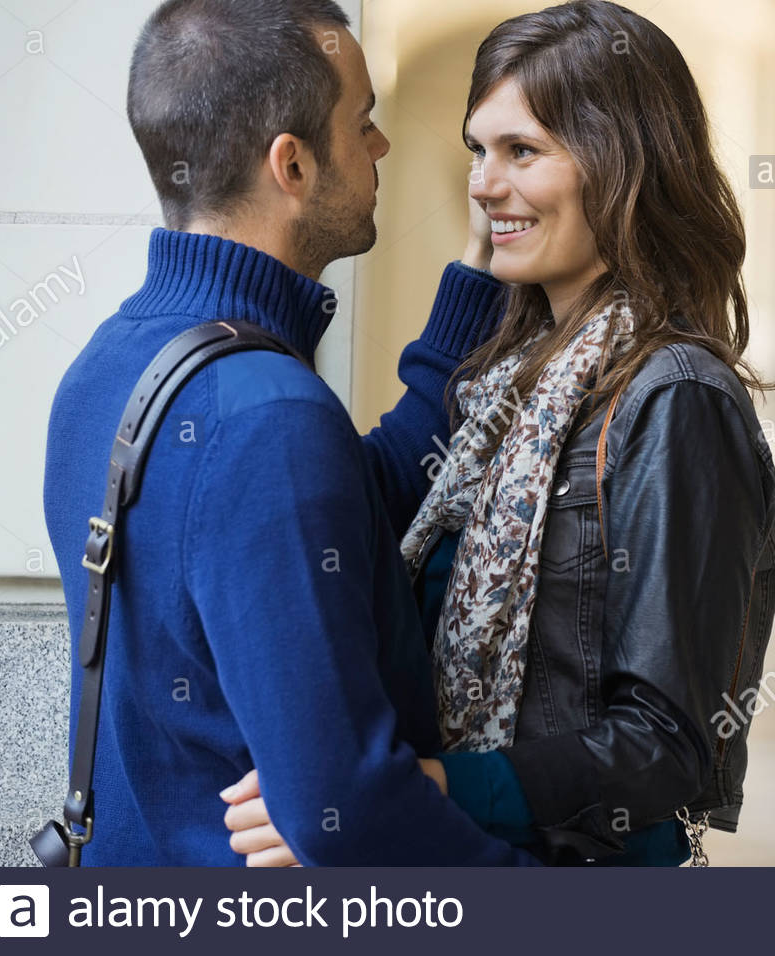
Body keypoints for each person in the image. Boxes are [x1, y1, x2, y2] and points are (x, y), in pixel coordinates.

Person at [222, 0, 775, 866]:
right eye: (477, 151)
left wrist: (426, 794)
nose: (483, 184)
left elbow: (670, 746)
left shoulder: (675, 401)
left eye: (522, 151)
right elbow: (357, 508)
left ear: (621, 163)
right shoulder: (499, 387)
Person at [42, 0, 535, 865]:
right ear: (294, 164)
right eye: (363, 122)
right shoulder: (267, 416)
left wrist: (475, 281)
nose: (381, 147)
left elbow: (350, 511)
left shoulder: (104, 366)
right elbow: (348, 810)